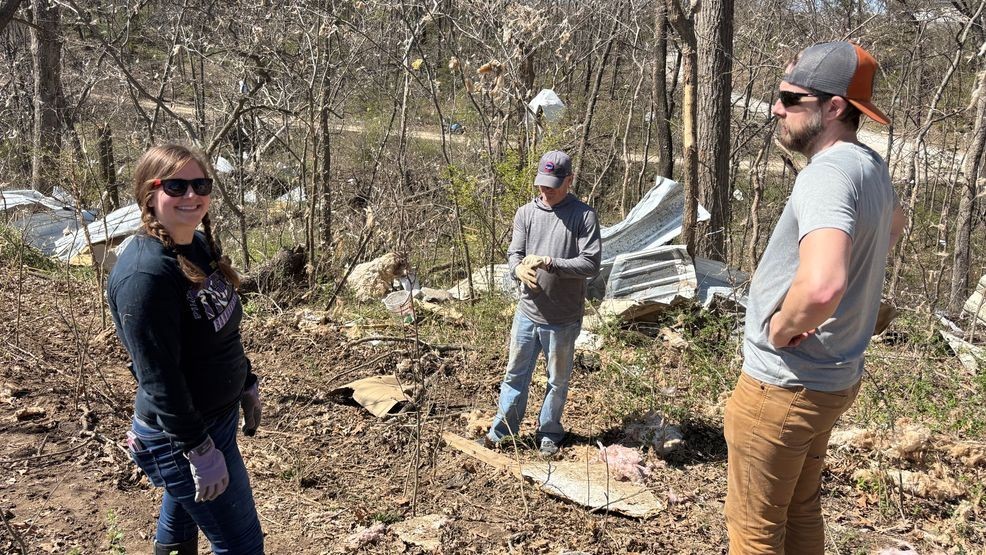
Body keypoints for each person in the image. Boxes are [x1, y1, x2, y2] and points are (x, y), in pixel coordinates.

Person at [724, 41, 907, 554]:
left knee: (753, 531)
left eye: (790, 97)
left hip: (783, 385)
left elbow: (823, 285)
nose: (776, 108)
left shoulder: (826, 173)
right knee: (800, 509)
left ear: (834, 107)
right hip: (830, 381)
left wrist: (780, 326)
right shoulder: (868, 165)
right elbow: (895, 225)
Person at [107, 144, 264, 554]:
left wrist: (245, 381)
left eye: (201, 184)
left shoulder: (195, 245)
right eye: (176, 186)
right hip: (182, 437)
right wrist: (198, 449)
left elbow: (220, 330)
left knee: (182, 521)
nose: (191, 195)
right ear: (149, 194)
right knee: (242, 545)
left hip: (215, 421)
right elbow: (159, 377)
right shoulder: (145, 274)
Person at [485, 150, 602, 456]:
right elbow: (515, 252)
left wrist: (551, 262)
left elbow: (590, 264)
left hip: (562, 318)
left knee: (557, 380)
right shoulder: (526, 214)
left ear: (569, 180)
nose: (546, 190)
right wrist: (516, 268)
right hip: (527, 312)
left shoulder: (584, 216)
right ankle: (502, 430)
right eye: (542, 183)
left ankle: (549, 432)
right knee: (515, 374)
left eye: (553, 184)